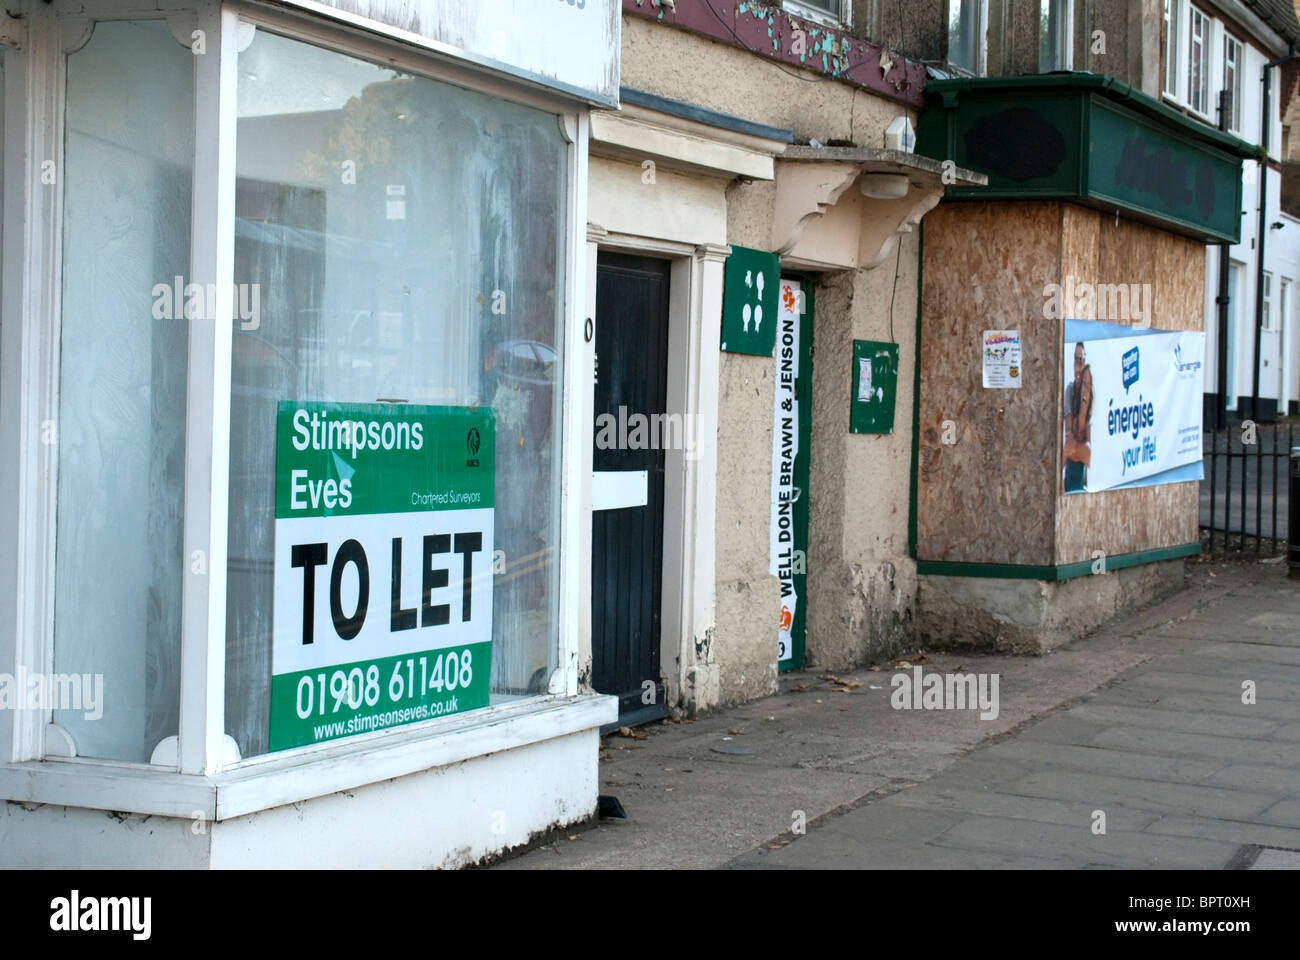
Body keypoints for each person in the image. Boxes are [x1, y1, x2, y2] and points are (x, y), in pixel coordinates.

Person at [1063, 343, 1092, 492]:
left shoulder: (1089, 395)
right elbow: (1069, 446)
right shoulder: (1069, 391)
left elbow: (1088, 454)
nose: (1078, 365)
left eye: (1081, 360)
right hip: (1068, 480)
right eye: (1076, 360)